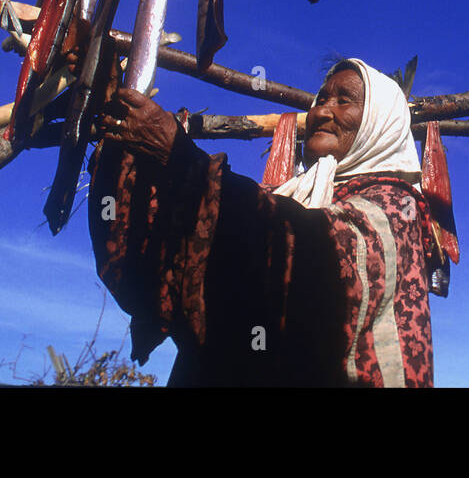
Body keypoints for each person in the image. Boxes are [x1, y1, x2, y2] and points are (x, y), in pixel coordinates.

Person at [88, 58, 435, 387]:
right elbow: (180, 244)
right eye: (322, 98)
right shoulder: (288, 197)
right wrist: (120, 125)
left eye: (345, 101)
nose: (322, 111)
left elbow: (316, 256)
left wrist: (182, 159)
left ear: (380, 124)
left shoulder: (393, 207)